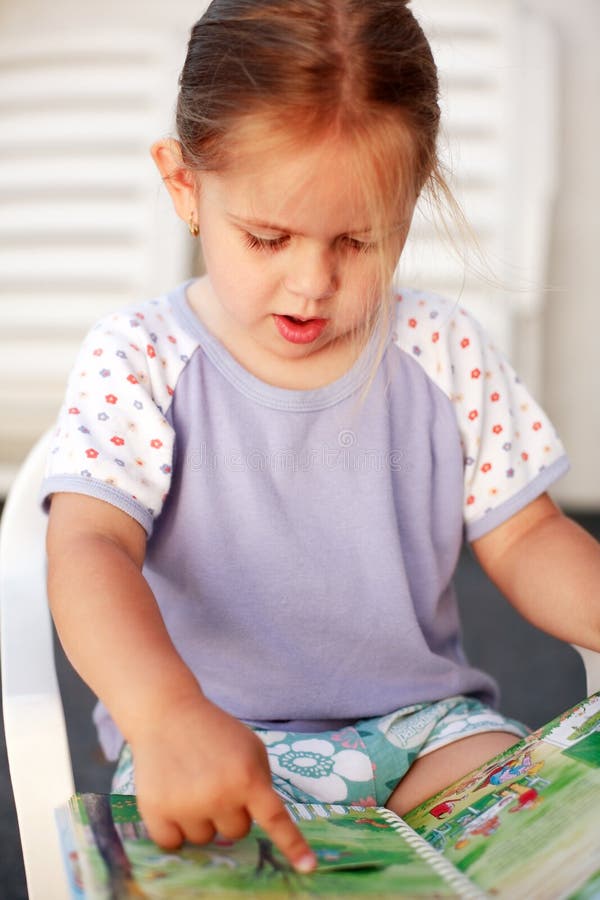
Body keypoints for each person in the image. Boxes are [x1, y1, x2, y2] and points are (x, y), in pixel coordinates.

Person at [41, 0, 600, 875]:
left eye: (359, 240)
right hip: (218, 734)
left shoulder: (442, 349)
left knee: (550, 848)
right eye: (267, 237)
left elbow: (527, 535)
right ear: (185, 186)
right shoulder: (142, 357)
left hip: (424, 734)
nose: (312, 284)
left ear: (410, 204)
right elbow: (88, 547)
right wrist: (163, 713)